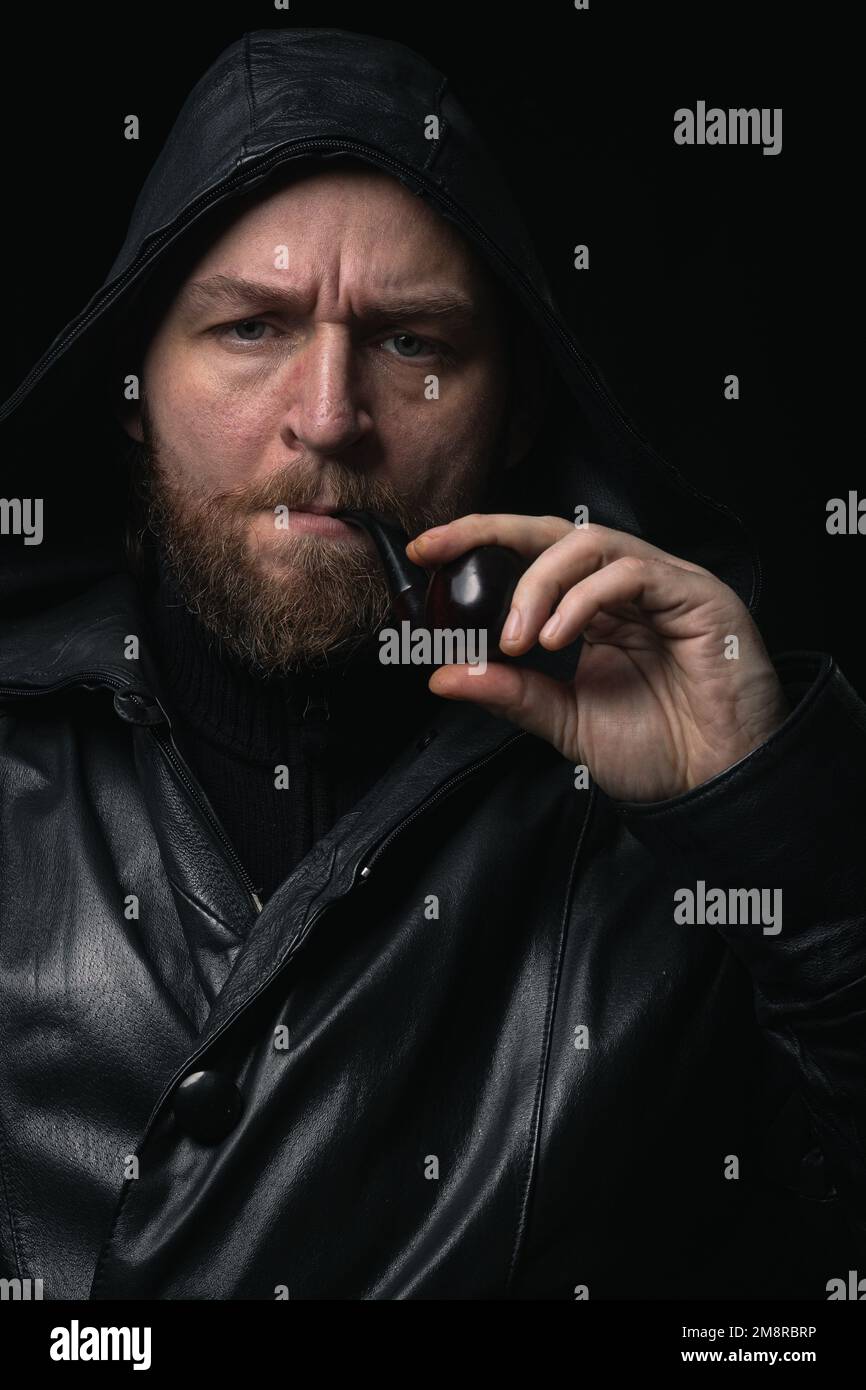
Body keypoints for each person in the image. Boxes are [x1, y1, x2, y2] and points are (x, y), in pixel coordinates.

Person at [0, 27, 863, 1302]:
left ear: (517, 407)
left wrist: (779, 829)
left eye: (412, 343)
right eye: (250, 328)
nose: (330, 412)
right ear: (135, 381)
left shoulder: (672, 820)